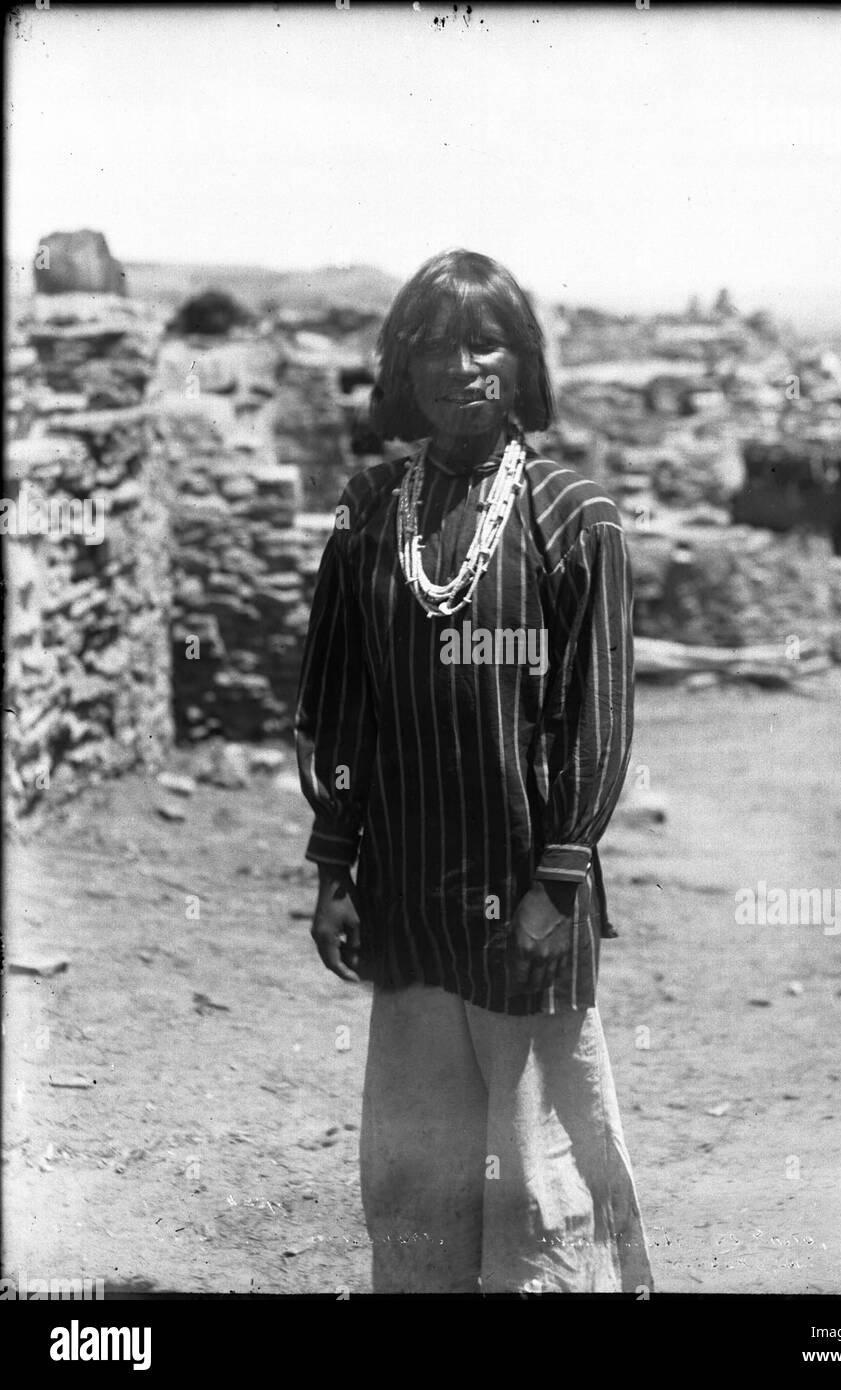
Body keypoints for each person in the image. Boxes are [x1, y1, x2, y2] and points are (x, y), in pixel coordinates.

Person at [294, 249, 653, 1294]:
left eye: (485, 341)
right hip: (406, 893)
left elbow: (599, 714)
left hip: (531, 900)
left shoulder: (575, 516)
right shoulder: (367, 516)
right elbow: (340, 707)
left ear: (522, 361)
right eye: (434, 347)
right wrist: (333, 873)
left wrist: (557, 882)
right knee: (418, 1167)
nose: (462, 367)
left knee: (541, 1173)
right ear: (399, 371)